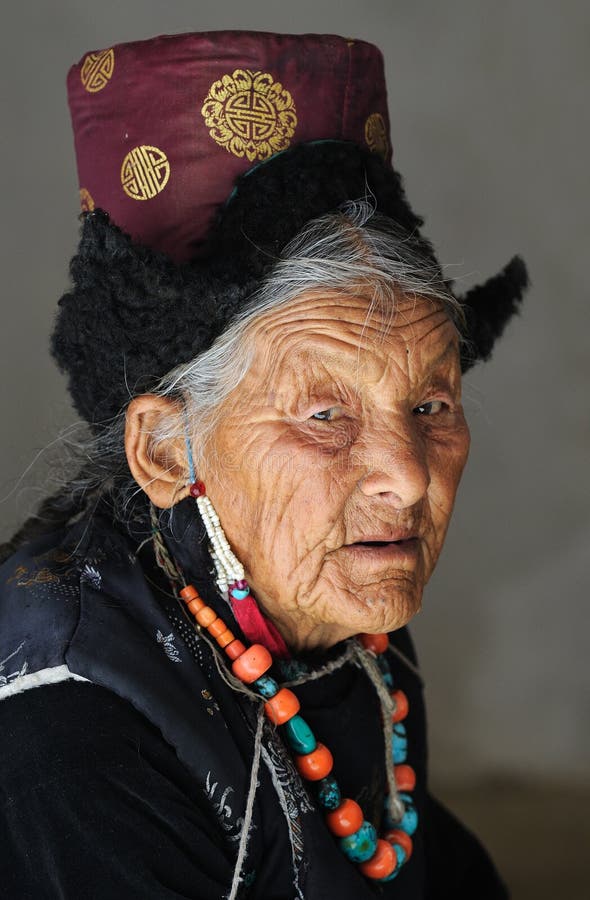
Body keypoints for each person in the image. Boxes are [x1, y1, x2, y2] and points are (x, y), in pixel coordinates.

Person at [0, 31, 528, 899]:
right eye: (326, 415)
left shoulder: (326, 614)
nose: (408, 474)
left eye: (430, 406)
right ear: (167, 450)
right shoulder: (72, 746)